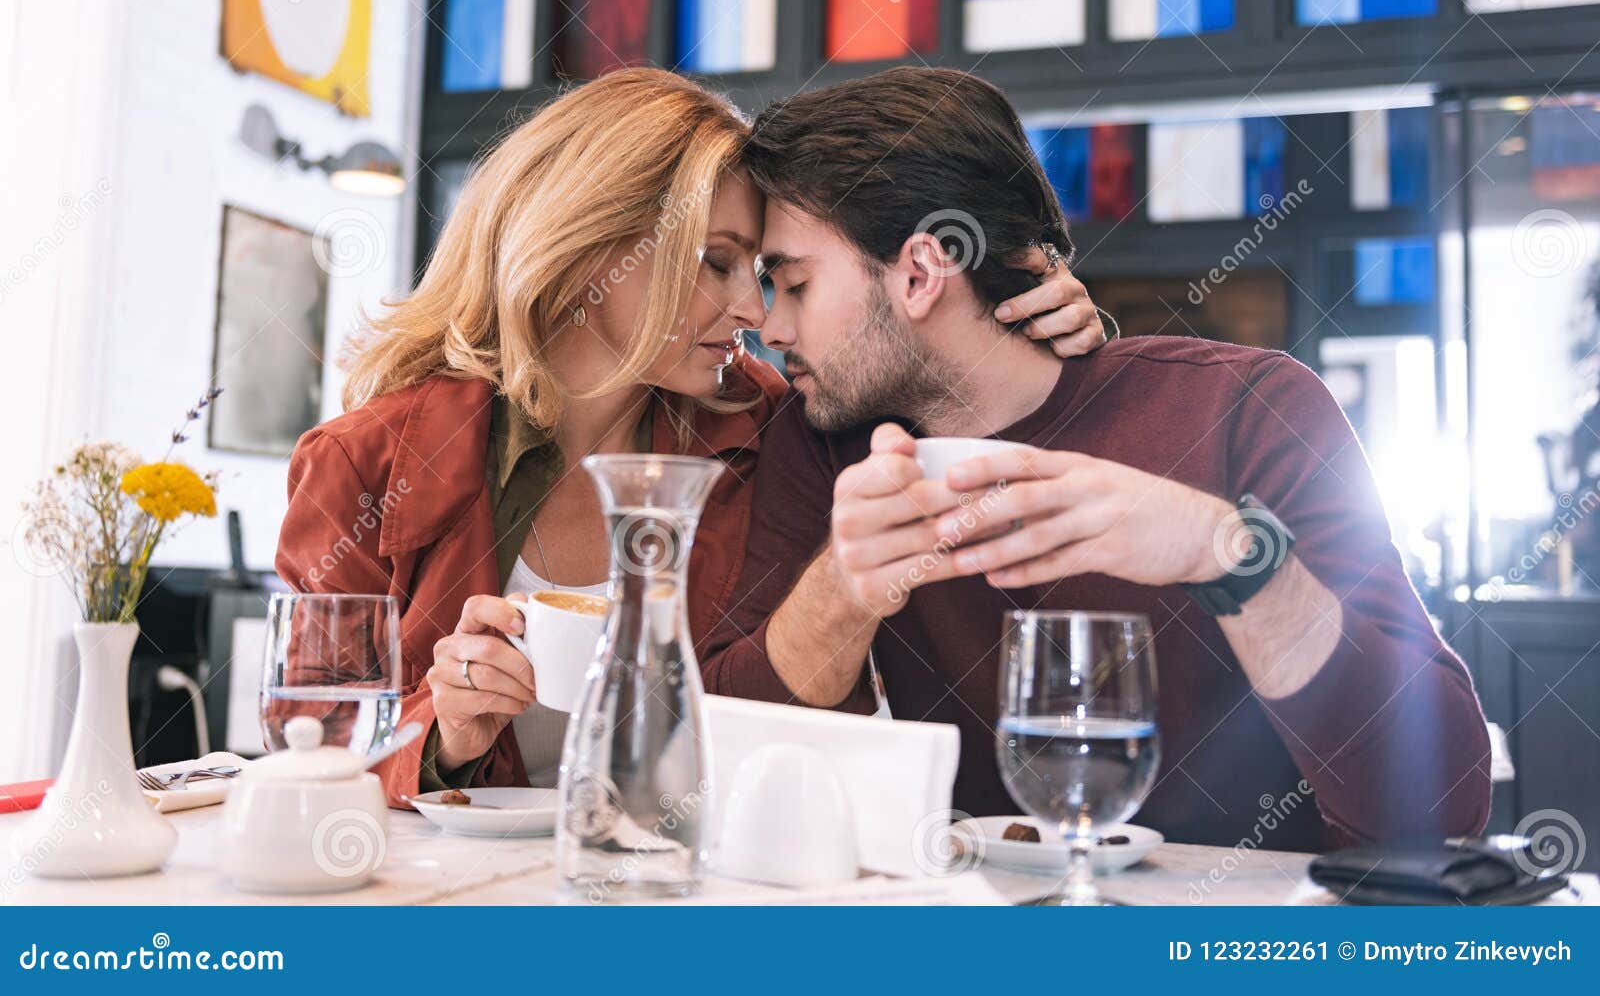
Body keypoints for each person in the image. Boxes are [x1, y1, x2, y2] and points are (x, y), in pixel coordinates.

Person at [698, 66, 1492, 851]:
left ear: (919, 273)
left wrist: (1220, 551)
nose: (771, 327)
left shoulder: (1247, 408)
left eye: (794, 284)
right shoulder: (827, 444)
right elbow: (721, 769)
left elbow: (1442, 805)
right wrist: (844, 587)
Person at [273, 68, 1108, 804]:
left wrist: (1020, 333)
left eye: (766, 274)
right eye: (718, 263)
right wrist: (443, 739)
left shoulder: (773, 427)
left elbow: (940, 430)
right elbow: (310, 745)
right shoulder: (363, 463)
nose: (752, 310)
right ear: (592, 248)